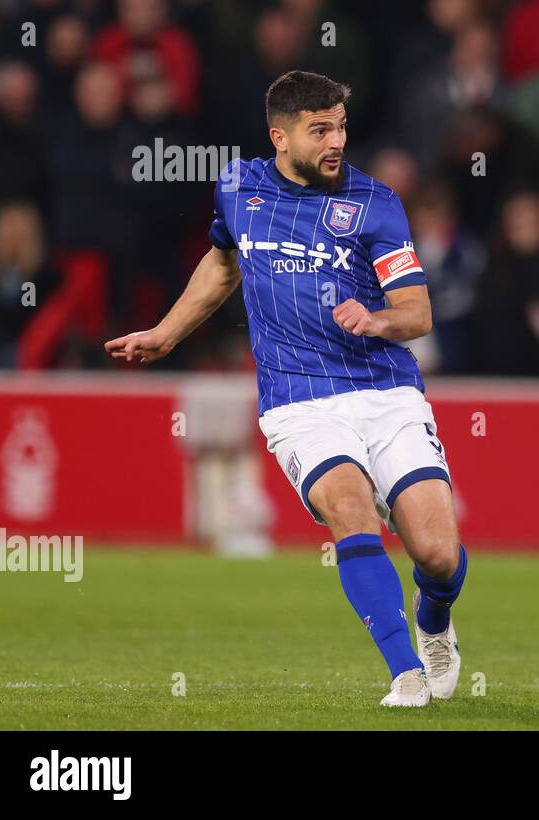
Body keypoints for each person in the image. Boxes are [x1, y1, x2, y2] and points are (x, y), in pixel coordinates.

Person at [105, 71, 465, 709]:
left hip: (384, 391)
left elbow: (417, 312)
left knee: (437, 553)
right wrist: (165, 333)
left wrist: (377, 318)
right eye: (319, 129)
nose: (336, 141)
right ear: (280, 135)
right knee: (350, 510)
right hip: (298, 400)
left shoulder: (375, 202)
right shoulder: (238, 188)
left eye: (342, 126)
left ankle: (433, 621)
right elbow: (223, 264)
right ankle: (405, 673)